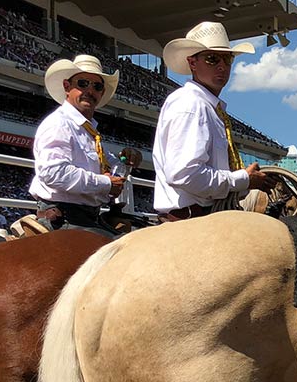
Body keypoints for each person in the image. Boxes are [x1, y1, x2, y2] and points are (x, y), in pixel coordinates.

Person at [153, 21, 278, 220]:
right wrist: (243, 179)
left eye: (227, 60)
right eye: (212, 59)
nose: (222, 66)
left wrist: (244, 179)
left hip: (203, 216)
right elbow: (185, 174)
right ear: (192, 63)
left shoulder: (207, 107)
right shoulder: (192, 104)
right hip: (193, 220)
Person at [30, 54, 141, 237]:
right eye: (83, 83)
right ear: (67, 87)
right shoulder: (59, 124)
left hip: (83, 217)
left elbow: (109, 164)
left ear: (101, 93)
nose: (90, 90)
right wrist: (105, 183)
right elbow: (53, 173)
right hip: (65, 218)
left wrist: (125, 160)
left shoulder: (87, 131)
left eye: (97, 86)